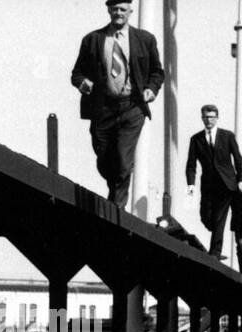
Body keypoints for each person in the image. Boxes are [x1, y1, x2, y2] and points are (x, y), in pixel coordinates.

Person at [71, 1, 164, 208]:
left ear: (131, 11)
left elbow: (158, 72)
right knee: (105, 161)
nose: (118, 13)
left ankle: (116, 209)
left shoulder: (145, 40)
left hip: (132, 107)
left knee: (123, 160)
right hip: (102, 108)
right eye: (115, 9)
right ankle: (115, 189)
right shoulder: (92, 40)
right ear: (108, 11)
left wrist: (151, 88)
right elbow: (77, 73)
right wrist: (83, 83)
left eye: (123, 9)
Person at [186, 106, 242, 259]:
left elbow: (239, 160)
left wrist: (241, 180)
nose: (209, 120)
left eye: (212, 117)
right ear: (202, 118)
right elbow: (191, 165)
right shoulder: (196, 139)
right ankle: (215, 236)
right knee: (206, 217)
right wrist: (190, 185)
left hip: (227, 185)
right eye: (206, 117)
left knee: (219, 217)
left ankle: (215, 252)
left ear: (217, 118)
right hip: (208, 185)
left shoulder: (227, 136)